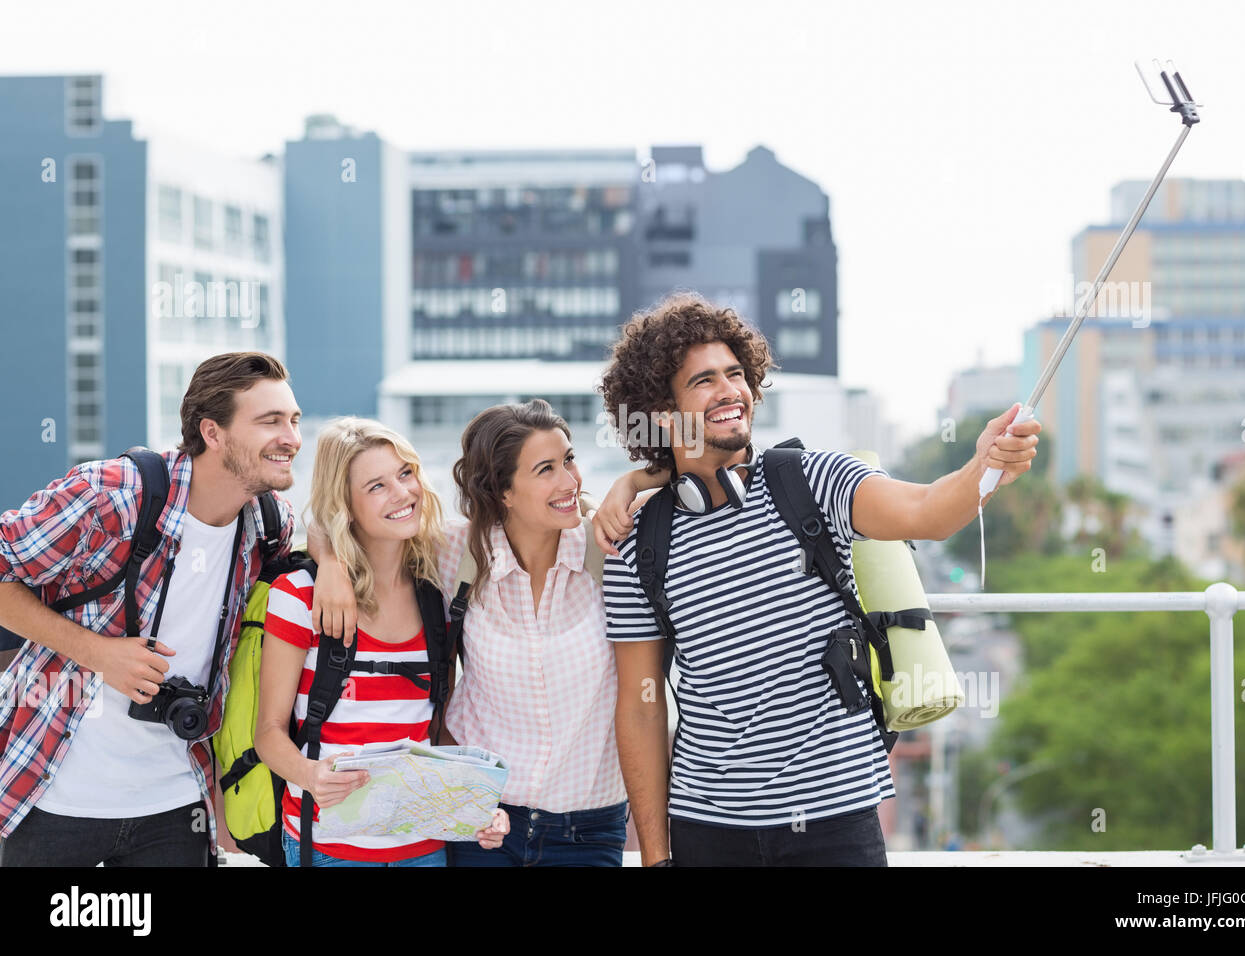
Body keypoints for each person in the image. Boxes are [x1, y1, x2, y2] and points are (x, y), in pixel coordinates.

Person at [593, 293, 1042, 867]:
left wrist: (984, 465)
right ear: (660, 412)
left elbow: (928, 509)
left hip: (836, 821)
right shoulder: (638, 543)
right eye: (704, 381)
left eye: (736, 374)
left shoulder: (814, 480)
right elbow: (640, 706)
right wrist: (656, 857)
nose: (730, 391)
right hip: (708, 829)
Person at [0, 352, 299, 867]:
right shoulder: (111, 494)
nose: (291, 437)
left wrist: (335, 565)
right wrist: (100, 654)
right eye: (269, 421)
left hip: (178, 803)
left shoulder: (269, 524)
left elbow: (341, 538)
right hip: (53, 791)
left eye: (293, 420)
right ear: (214, 432)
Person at [312, 400, 628, 866]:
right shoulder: (455, 552)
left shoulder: (609, 554)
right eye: (546, 469)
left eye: (569, 460)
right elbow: (338, 521)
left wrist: (630, 481)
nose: (569, 480)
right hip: (478, 816)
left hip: (589, 826)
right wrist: (331, 564)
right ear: (503, 491)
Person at [256, 417, 507, 867]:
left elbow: (433, 728)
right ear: (345, 506)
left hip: (423, 849)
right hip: (328, 849)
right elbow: (269, 735)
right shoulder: (300, 596)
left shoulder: (440, 592)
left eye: (405, 473)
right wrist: (310, 776)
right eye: (376, 486)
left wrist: (474, 810)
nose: (402, 493)